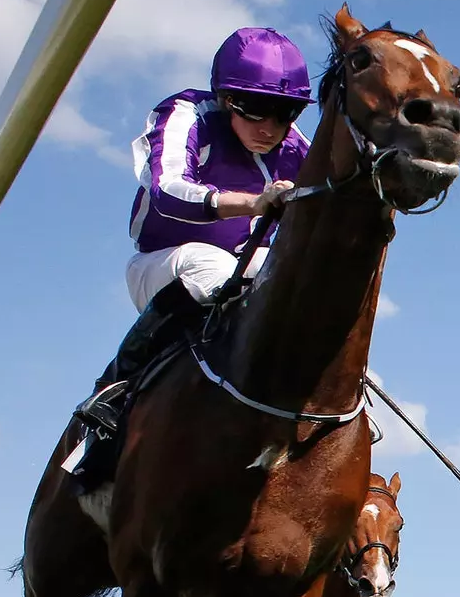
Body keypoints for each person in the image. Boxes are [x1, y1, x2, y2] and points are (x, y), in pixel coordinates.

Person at [69, 27, 314, 484]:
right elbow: (167, 189)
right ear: (225, 98)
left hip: (249, 267)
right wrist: (253, 201)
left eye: (285, 113)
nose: (269, 128)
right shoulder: (186, 113)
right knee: (209, 262)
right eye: (255, 109)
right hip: (163, 264)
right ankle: (113, 392)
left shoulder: (295, 145)